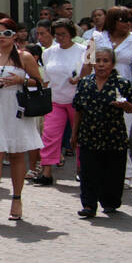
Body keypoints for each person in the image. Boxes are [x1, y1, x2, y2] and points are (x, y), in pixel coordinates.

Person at [0, 18, 45, 223]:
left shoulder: (24, 57)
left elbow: (39, 82)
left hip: (17, 107)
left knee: (16, 155)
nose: (2, 38)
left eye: (7, 33)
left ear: (15, 36)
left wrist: (20, 80)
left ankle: (17, 198)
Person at [72, 47, 132, 216]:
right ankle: (88, 205)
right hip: (89, 134)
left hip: (113, 135)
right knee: (88, 171)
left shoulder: (122, 83)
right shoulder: (85, 83)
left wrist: (124, 105)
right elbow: (78, 110)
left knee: (113, 171)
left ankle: (110, 202)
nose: (101, 65)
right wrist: (74, 134)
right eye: (98, 61)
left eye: (106, 61)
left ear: (113, 63)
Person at [86, 6, 132, 185]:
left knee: (122, 130)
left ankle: (125, 173)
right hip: (100, 90)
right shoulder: (97, 38)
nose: (128, 23)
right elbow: (88, 62)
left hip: (127, 90)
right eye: (123, 19)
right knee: (105, 131)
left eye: (130, 19)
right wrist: (81, 82)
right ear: (113, 21)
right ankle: (119, 172)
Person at [32, 18, 87, 186]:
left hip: (77, 101)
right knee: (49, 135)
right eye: (57, 35)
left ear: (71, 34)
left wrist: (79, 79)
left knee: (79, 137)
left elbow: (89, 72)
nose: (61, 38)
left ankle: (82, 170)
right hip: (55, 99)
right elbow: (46, 78)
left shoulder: (84, 49)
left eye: (64, 34)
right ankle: (46, 171)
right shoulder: (49, 52)